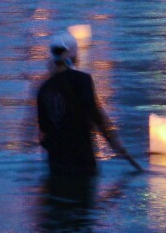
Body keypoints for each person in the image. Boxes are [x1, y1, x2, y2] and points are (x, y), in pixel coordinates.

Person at [36, 34, 142, 176]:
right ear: (74, 55)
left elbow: (44, 129)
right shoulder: (82, 80)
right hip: (82, 162)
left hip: (56, 165)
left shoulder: (44, 88)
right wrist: (114, 143)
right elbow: (96, 116)